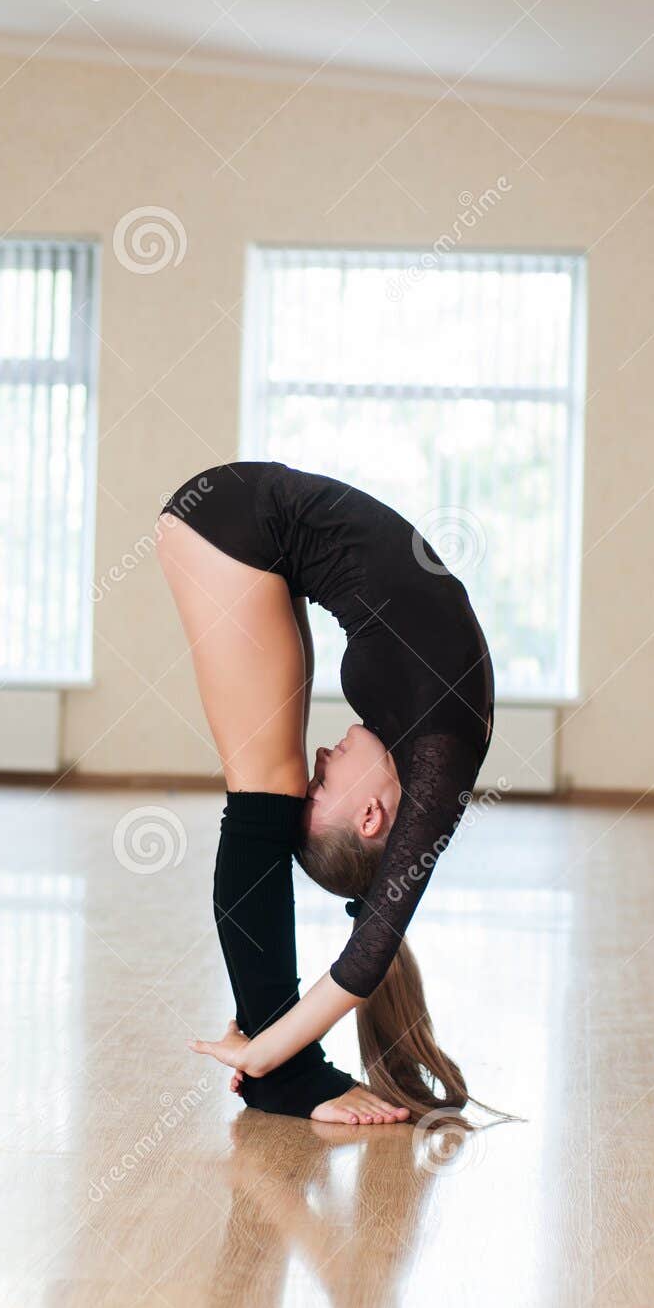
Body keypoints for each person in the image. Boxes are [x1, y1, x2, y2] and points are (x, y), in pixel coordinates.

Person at [156, 460, 494, 1125]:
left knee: (265, 793)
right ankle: (284, 1080)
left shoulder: (416, 755)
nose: (319, 761)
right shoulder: (436, 763)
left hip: (248, 534)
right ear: (370, 817)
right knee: (266, 796)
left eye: (317, 786)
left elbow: (372, 944)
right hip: (237, 522)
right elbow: (367, 955)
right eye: (323, 789)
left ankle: (280, 1068)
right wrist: (266, 1055)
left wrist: (265, 1038)